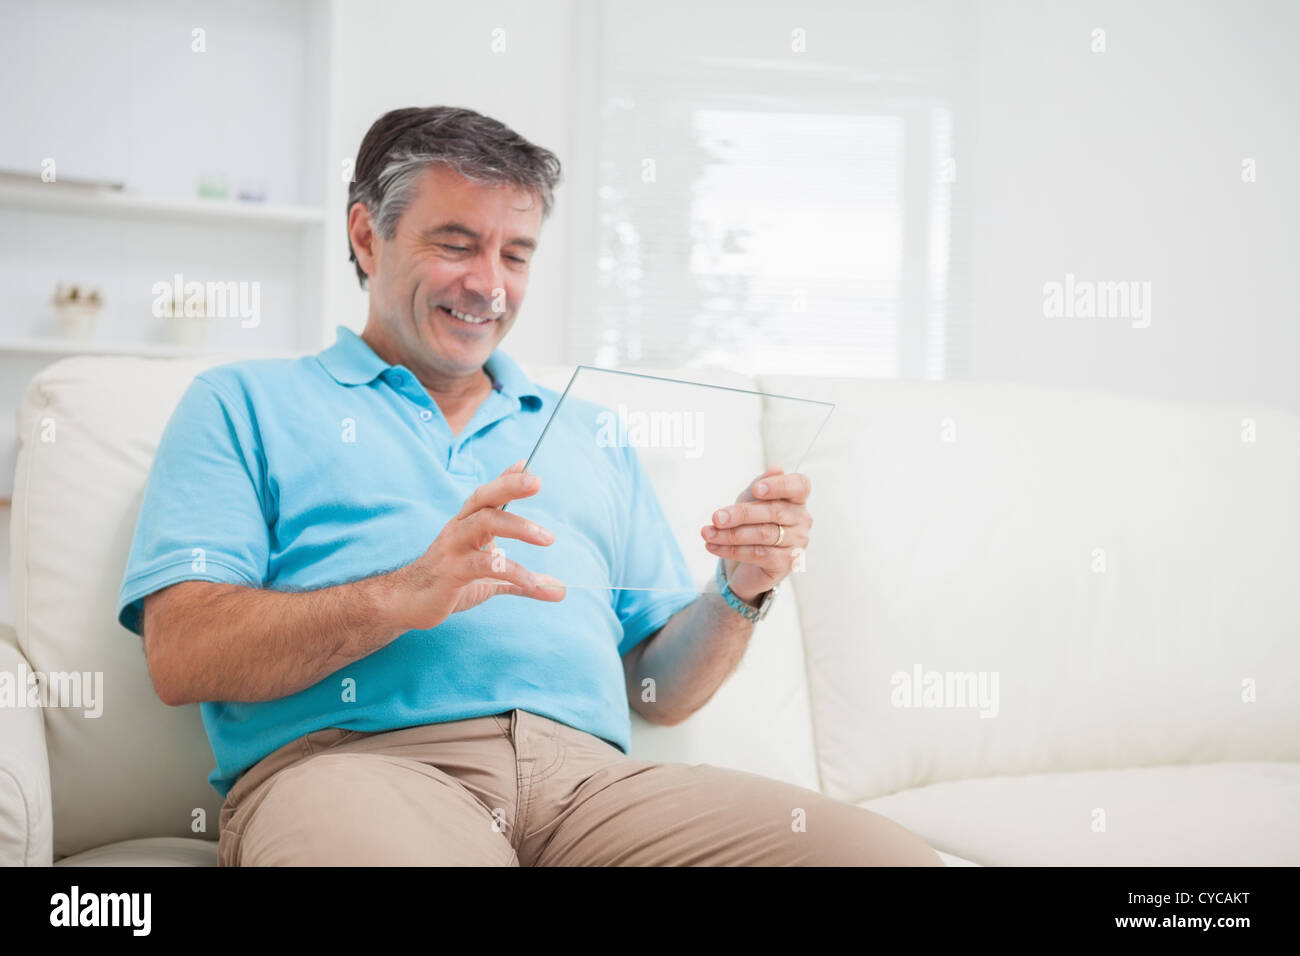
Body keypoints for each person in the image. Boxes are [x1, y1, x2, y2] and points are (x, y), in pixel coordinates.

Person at [117, 105, 943, 866]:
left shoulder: (589, 432)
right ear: (368, 237)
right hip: (361, 771)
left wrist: (740, 589)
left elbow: (658, 690)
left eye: (515, 254)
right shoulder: (243, 404)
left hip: (590, 791)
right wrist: (402, 594)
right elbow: (182, 654)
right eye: (455, 244)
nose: (490, 285)